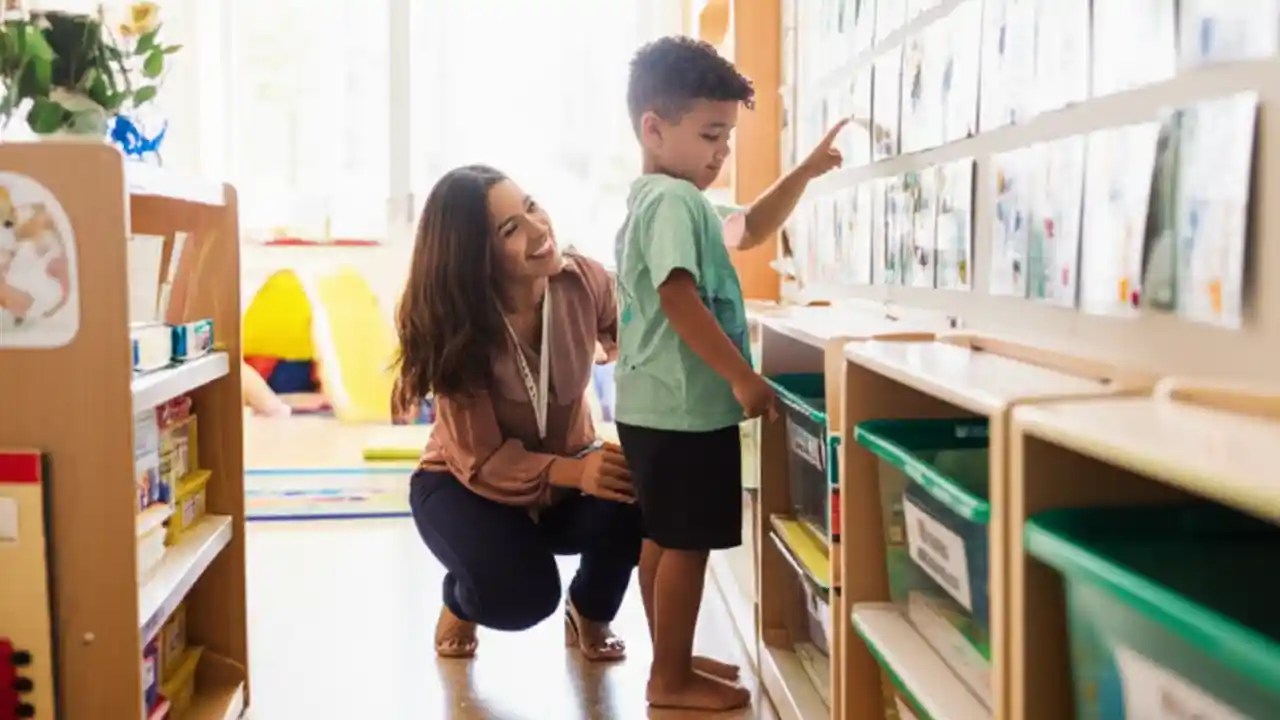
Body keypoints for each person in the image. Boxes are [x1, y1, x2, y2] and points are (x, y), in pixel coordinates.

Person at [615, 36, 848, 711]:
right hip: (685, 409)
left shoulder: (663, 201)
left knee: (664, 538)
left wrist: (802, 172)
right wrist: (742, 376)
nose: (721, 152)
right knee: (686, 545)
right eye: (710, 135)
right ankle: (670, 678)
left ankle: (673, 661)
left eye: (727, 137)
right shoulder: (674, 204)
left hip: (654, 408)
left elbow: (748, 227)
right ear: (654, 129)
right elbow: (677, 296)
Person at [393, 164, 639, 662]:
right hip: (466, 486)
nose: (538, 229)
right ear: (476, 256)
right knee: (521, 600)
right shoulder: (458, 326)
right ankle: (460, 598)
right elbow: (483, 460)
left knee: (637, 492)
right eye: (510, 229)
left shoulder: (581, 280)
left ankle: (591, 611)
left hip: (565, 480)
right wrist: (577, 471)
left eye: (530, 207)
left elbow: (635, 332)